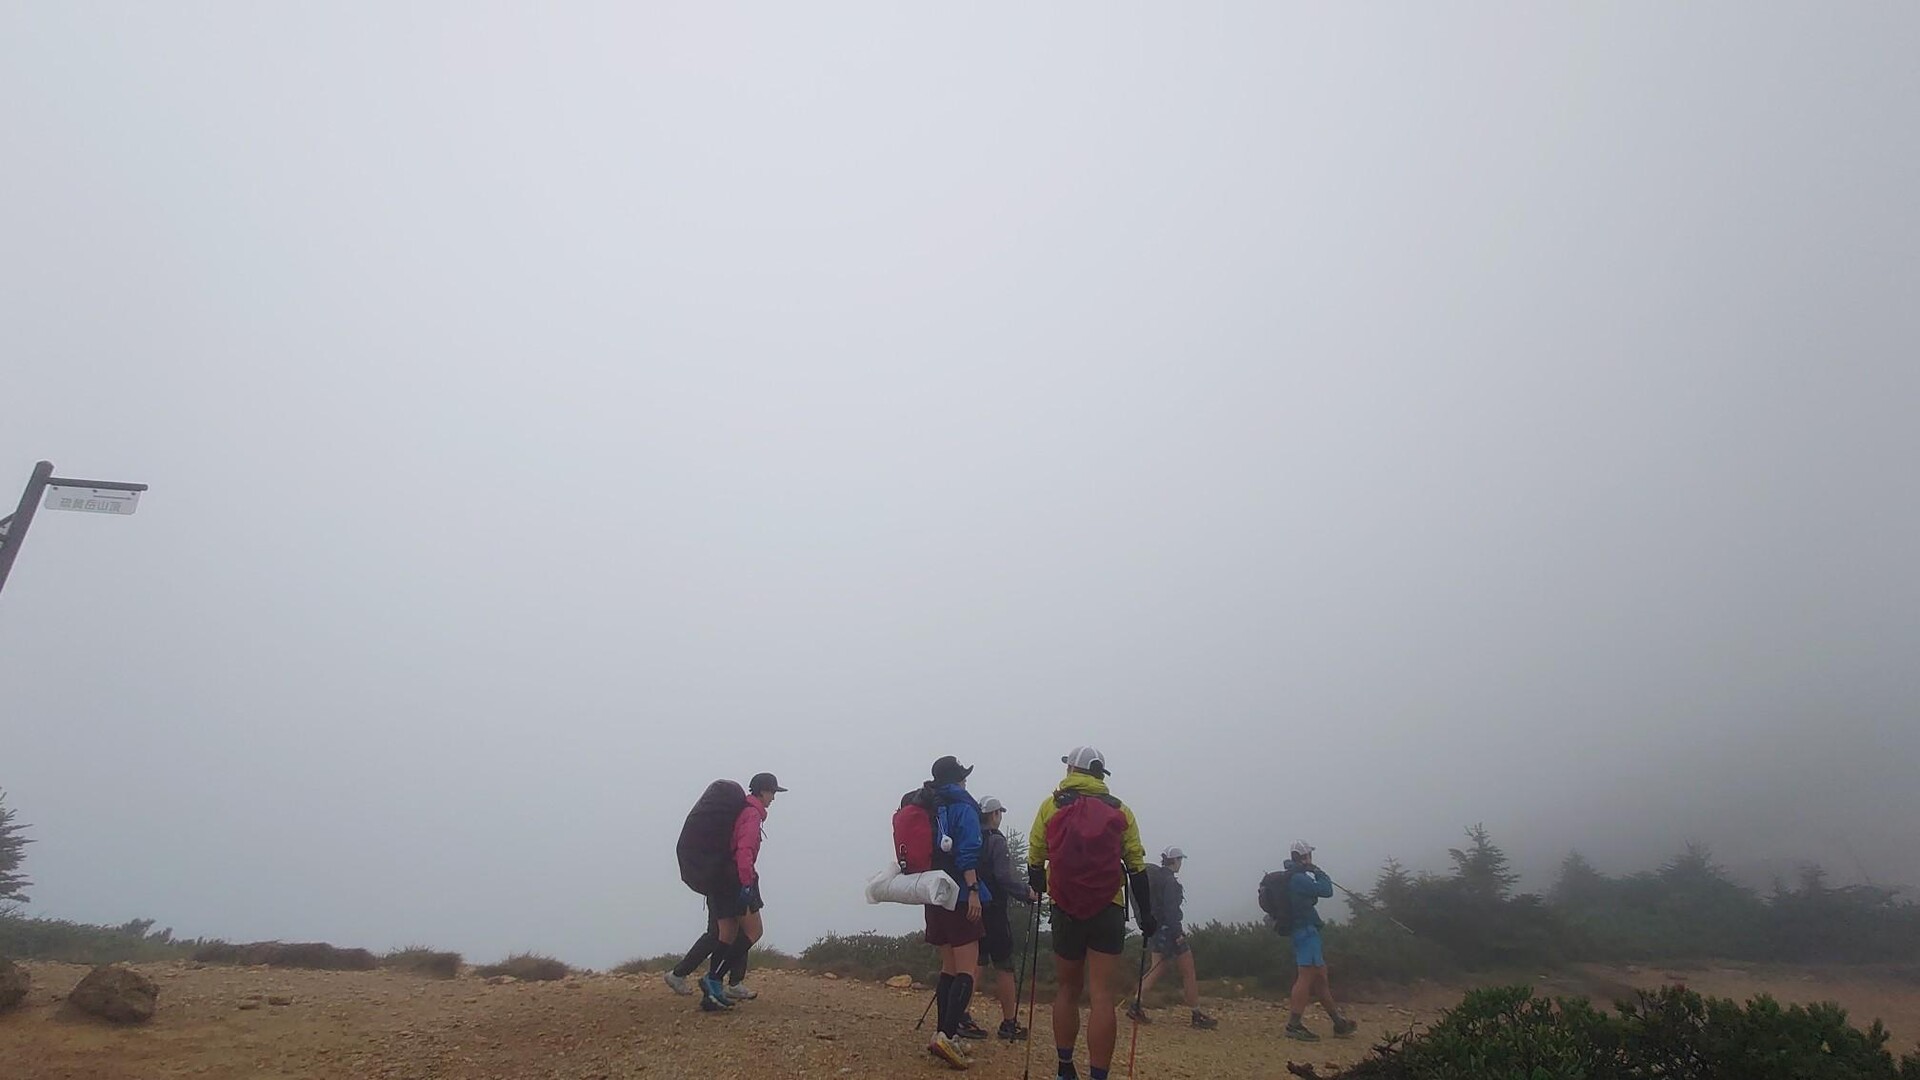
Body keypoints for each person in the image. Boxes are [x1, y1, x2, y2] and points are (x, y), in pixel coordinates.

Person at [1028, 746, 1155, 1080]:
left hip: (1065, 907)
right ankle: (1099, 1075)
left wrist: (1039, 884)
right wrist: (1147, 915)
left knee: (1068, 989)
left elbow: (1035, 855)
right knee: (1102, 995)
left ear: (1071, 769)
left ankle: (1064, 1068)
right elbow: (1136, 865)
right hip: (1108, 908)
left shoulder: (1051, 805)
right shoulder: (1120, 810)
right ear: (1100, 774)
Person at [922, 756, 990, 1069]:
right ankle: (947, 1037)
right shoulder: (963, 806)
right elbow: (968, 851)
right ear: (958, 779)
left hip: (932, 892)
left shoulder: (930, 804)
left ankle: (942, 1033)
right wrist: (974, 890)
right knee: (966, 969)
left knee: (948, 967)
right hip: (960, 895)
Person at [697, 772, 786, 1012]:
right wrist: (747, 884)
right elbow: (744, 850)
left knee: (727, 933)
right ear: (763, 791)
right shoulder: (752, 814)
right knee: (754, 932)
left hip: (721, 876)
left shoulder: (742, 810)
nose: (773, 798)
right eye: (773, 792)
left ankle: (712, 991)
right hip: (738, 878)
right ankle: (713, 979)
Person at [1129, 846, 1217, 1029]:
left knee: (1157, 968)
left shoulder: (1156, 878)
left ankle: (1135, 1004)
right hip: (1170, 930)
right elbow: (1171, 910)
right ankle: (1196, 1014)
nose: (1181, 864)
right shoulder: (1170, 882)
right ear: (1174, 860)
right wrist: (1177, 934)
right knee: (1188, 971)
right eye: (1180, 860)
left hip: (1155, 929)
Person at [1281, 840, 1356, 1041]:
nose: (1310, 859)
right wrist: (1319, 872)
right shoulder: (1298, 879)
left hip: (1304, 931)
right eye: (1308, 856)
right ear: (1303, 857)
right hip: (1306, 932)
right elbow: (1326, 890)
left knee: (1320, 978)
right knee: (1305, 977)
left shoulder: (1294, 877)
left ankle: (1338, 1023)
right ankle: (1293, 1025)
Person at [975, 796, 1033, 1041]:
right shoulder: (997, 841)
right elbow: (1004, 877)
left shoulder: (972, 839)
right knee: (1004, 964)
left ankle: (961, 1017)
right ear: (995, 814)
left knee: (976, 961)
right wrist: (1026, 893)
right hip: (995, 910)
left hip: (974, 906)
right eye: (1000, 812)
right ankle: (1009, 1022)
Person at [663, 908, 753, 1000]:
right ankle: (679, 974)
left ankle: (734, 982)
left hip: (734, 896)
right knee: (717, 934)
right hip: (723, 896)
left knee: (739, 932)